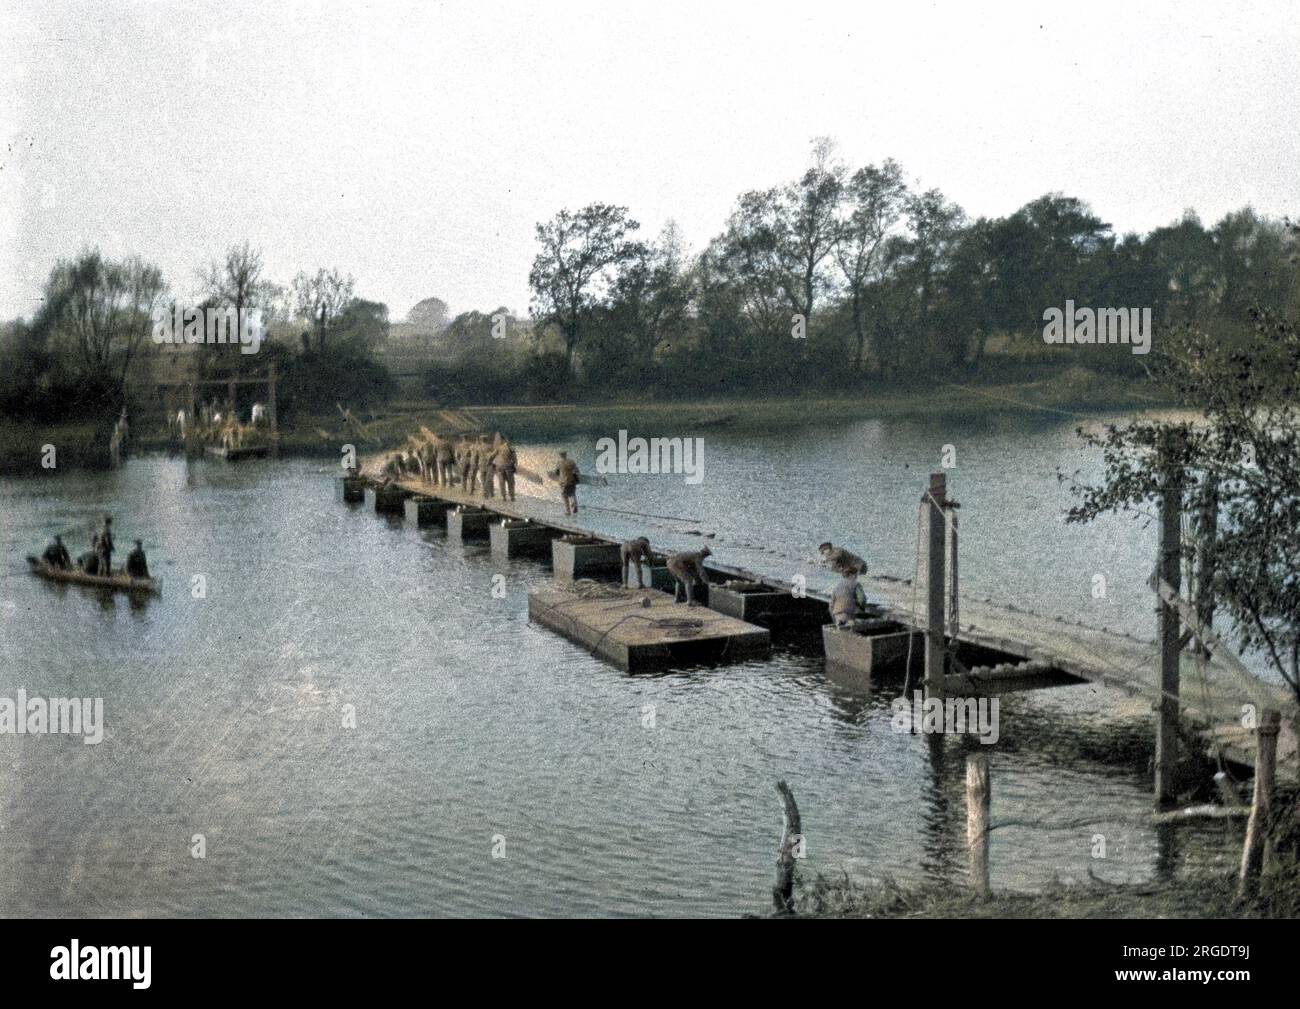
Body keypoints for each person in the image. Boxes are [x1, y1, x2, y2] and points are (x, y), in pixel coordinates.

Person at [549, 451, 580, 516]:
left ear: (560, 455)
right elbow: (577, 470)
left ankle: (568, 512)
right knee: (572, 494)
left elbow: (556, 473)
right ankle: (574, 503)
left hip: (563, 483)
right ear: (566, 454)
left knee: (565, 496)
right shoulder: (571, 461)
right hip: (572, 481)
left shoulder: (559, 463)